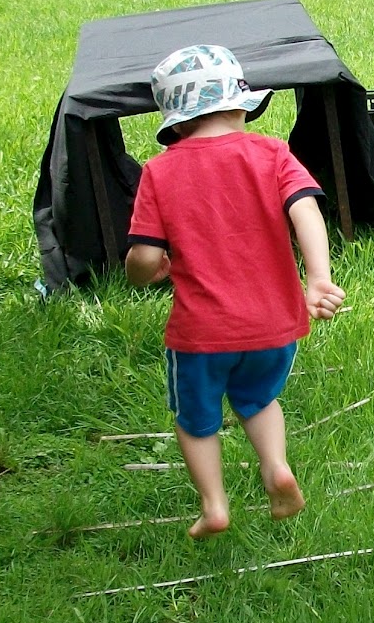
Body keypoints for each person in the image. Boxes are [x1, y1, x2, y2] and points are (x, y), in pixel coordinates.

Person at [125, 44, 345, 538]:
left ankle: (215, 505)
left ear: (177, 124)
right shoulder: (272, 154)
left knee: (196, 420)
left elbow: (141, 256)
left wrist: (145, 271)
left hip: (202, 335)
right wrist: (318, 276)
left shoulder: (159, 172)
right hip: (274, 326)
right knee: (259, 400)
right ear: (241, 104)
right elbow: (305, 208)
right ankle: (275, 467)